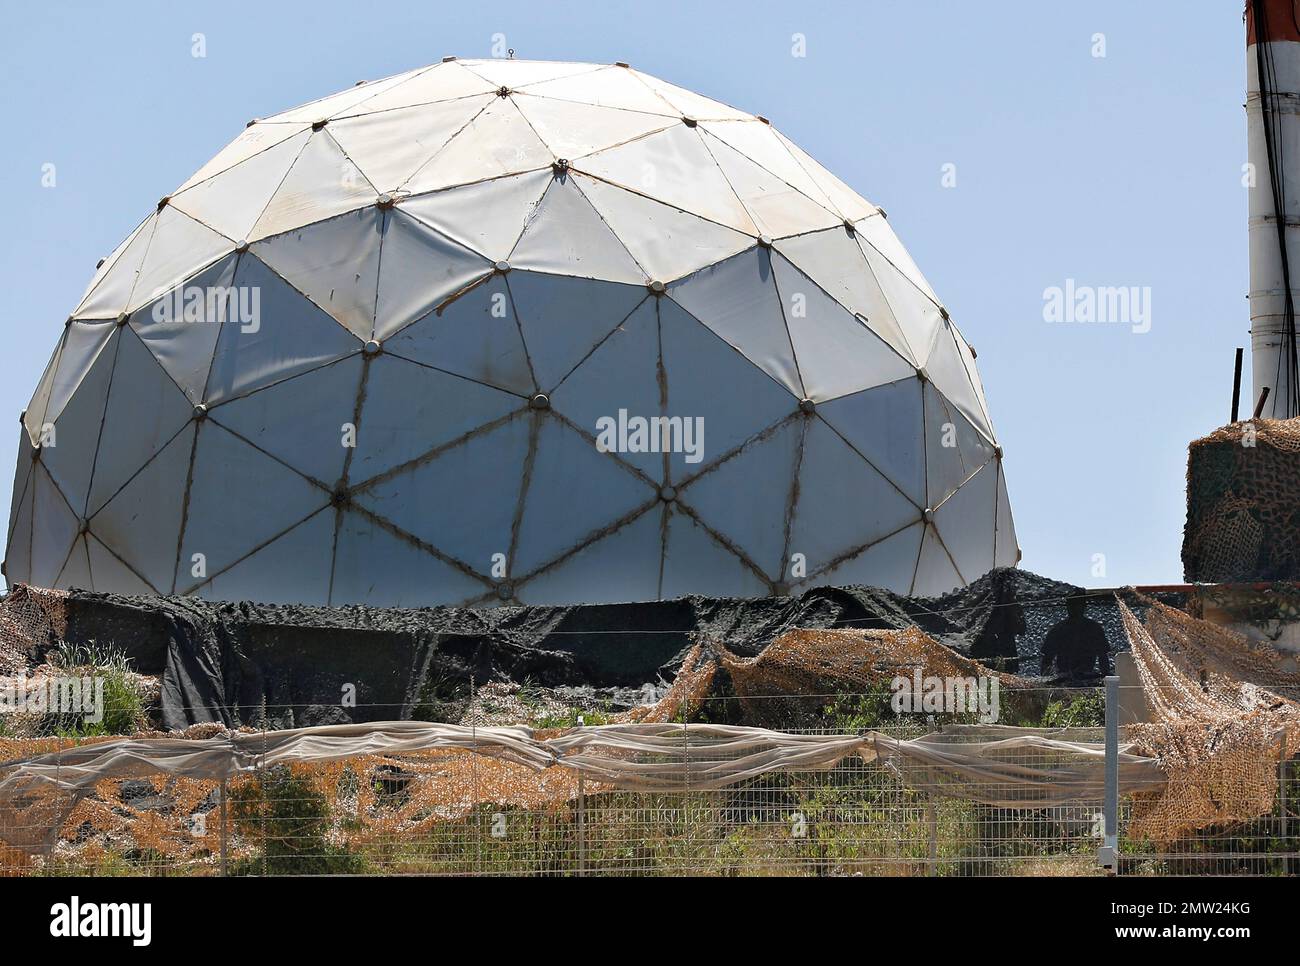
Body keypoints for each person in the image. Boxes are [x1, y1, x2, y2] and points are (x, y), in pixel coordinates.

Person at [1040, 592, 1111, 679]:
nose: (1075, 608)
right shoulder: (1058, 630)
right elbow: (1047, 659)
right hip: (1064, 678)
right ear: (1067, 606)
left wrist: (1106, 678)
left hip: (1087, 677)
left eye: (1078, 604)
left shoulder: (1094, 628)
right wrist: (1046, 681)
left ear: (1084, 606)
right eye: (1072, 605)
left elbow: (1103, 657)